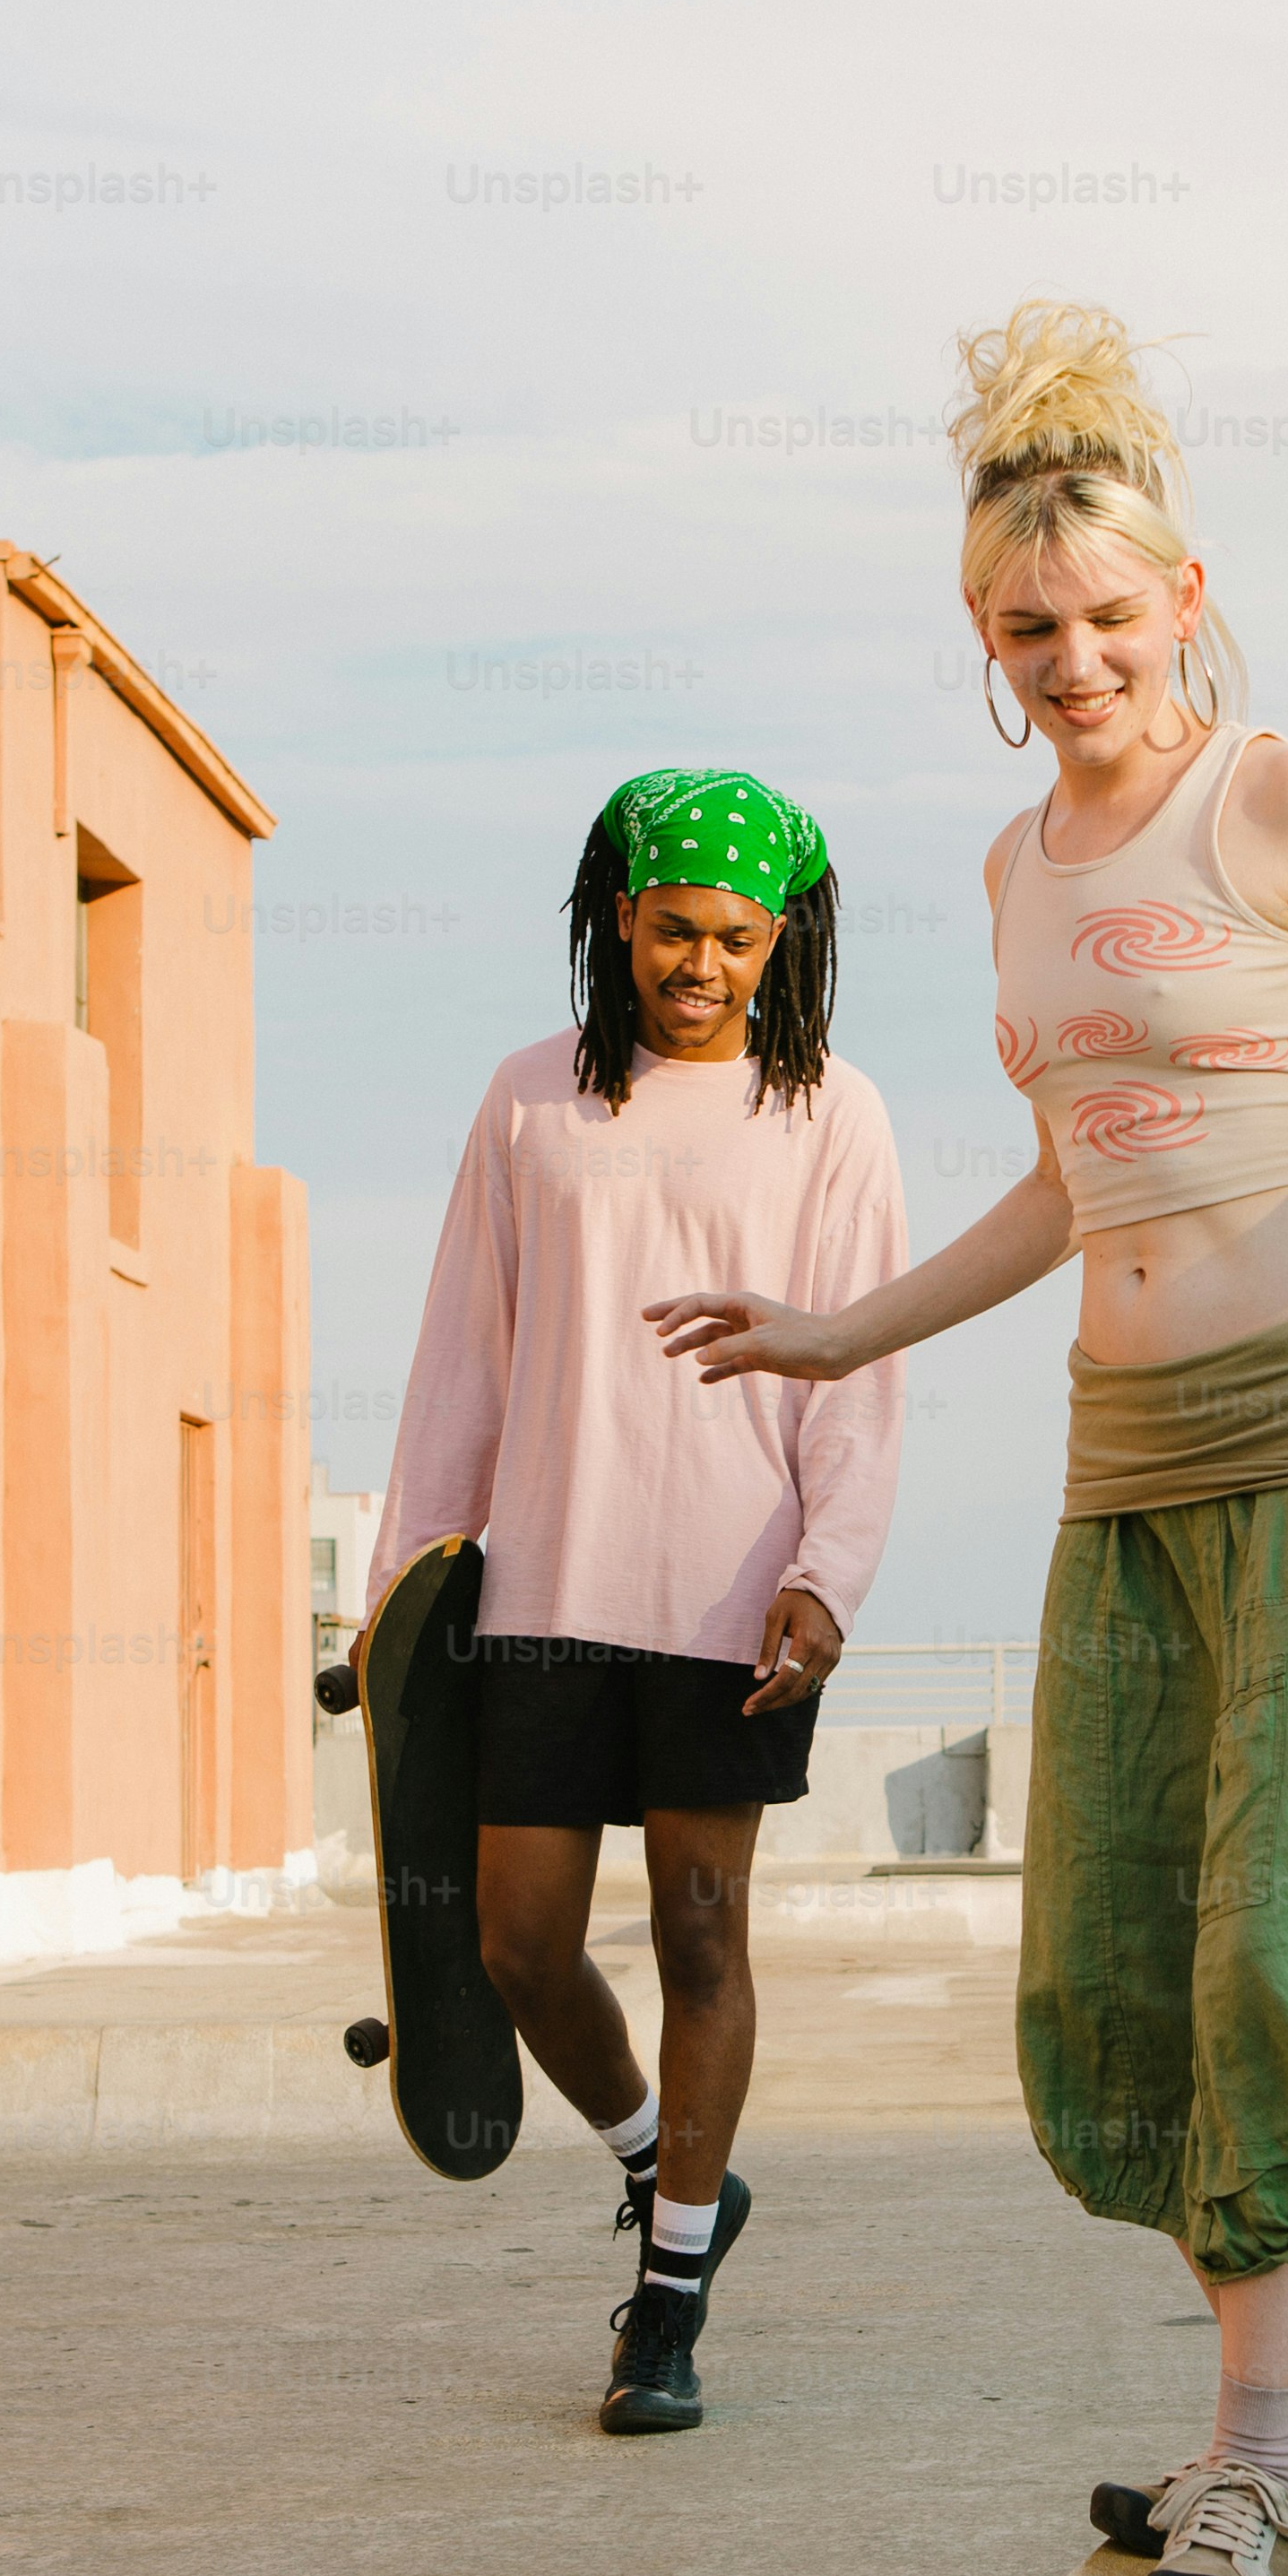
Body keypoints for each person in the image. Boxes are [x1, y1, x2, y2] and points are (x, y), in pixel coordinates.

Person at [654, 301, 1288, 2576]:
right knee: (1160, 1975)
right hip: (1128, 1457)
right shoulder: (1013, 870)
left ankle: (1249, 2466)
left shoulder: (1280, 802)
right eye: (1022, 629)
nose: (1069, 659)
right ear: (980, 639)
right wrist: (833, 1324)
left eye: (1101, 615)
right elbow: (1068, 1185)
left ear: (1179, 598)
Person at [364, 770, 907, 2433]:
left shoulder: (834, 1116)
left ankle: (664, 2303)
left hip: (736, 1594)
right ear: (619, 918)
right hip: (549, 1575)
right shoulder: (532, 1103)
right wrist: (410, 1574)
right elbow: (469, 1339)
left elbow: (860, 1365)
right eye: (674, 930)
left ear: (782, 940)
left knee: (698, 1933)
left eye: (736, 940)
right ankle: (670, 2175)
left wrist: (828, 1575)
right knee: (520, 1940)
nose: (701, 966)